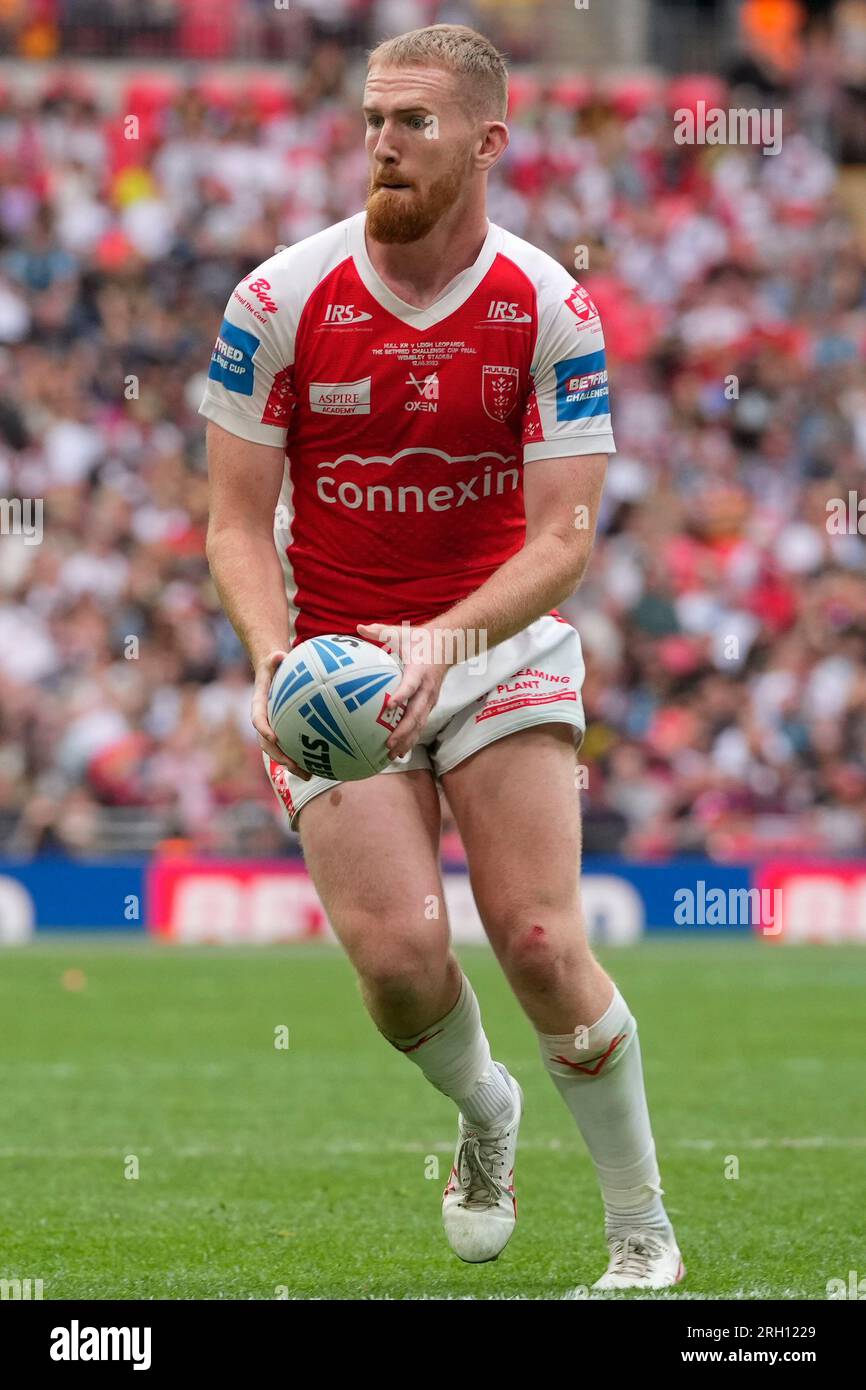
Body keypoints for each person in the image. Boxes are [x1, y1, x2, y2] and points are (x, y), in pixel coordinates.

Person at [201, 22, 683, 1290]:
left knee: (534, 938)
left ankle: (641, 1236)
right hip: (333, 662)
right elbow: (234, 523)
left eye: (412, 123)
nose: (382, 144)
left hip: (496, 641)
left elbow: (565, 542)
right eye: (371, 120)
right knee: (404, 969)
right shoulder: (276, 299)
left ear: (487, 141)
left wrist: (447, 638)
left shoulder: (549, 307)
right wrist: (268, 655)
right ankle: (484, 1113)